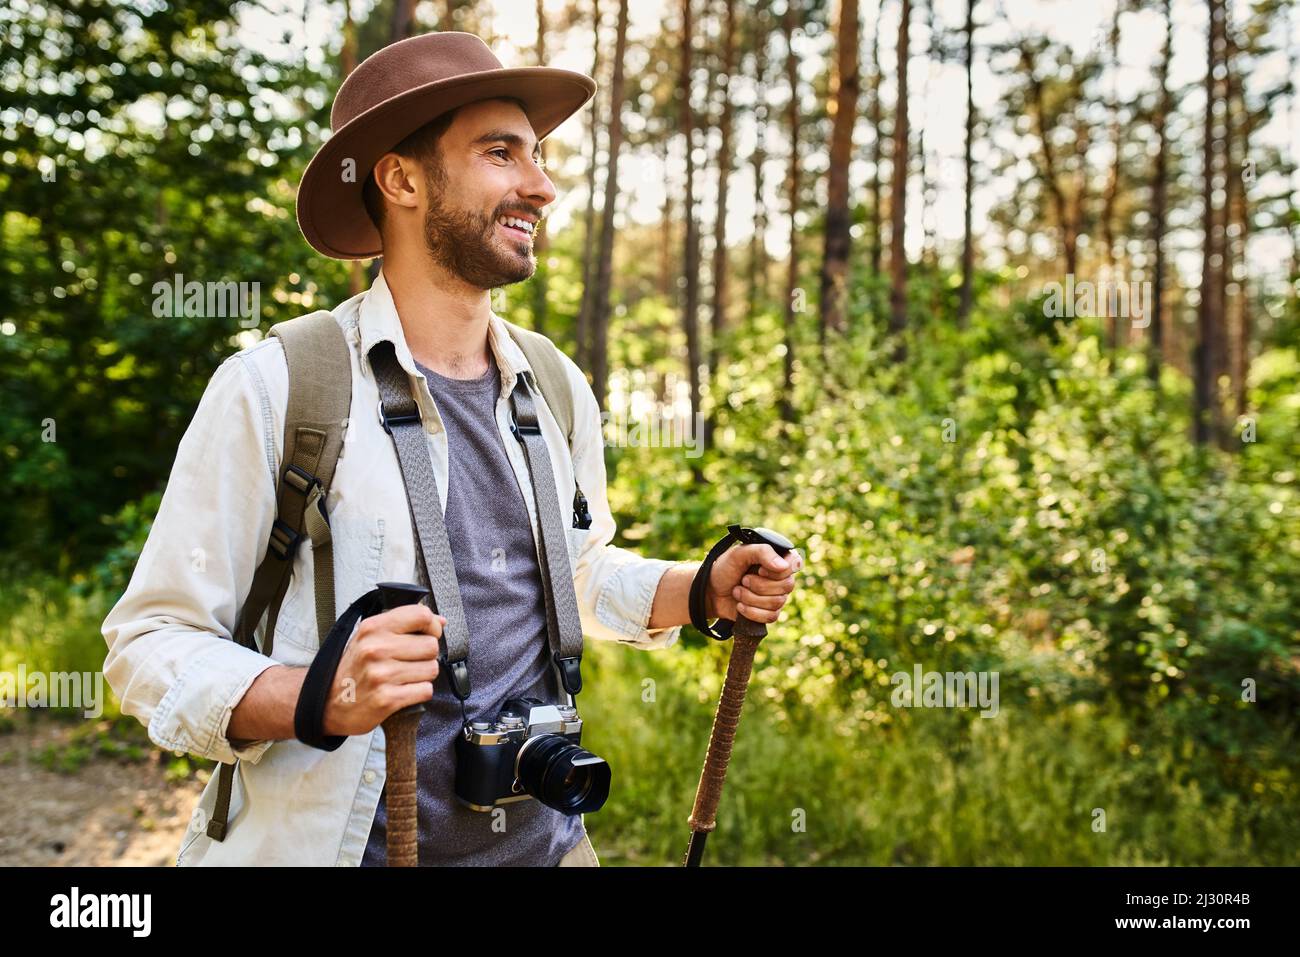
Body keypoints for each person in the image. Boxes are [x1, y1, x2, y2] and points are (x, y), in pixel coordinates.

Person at [102, 31, 803, 867]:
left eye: (537, 155)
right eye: (500, 153)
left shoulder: (552, 382)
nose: (540, 187)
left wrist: (697, 589)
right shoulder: (280, 387)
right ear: (400, 179)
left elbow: (571, 576)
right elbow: (150, 643)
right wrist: (315, 696)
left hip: (550, 849)